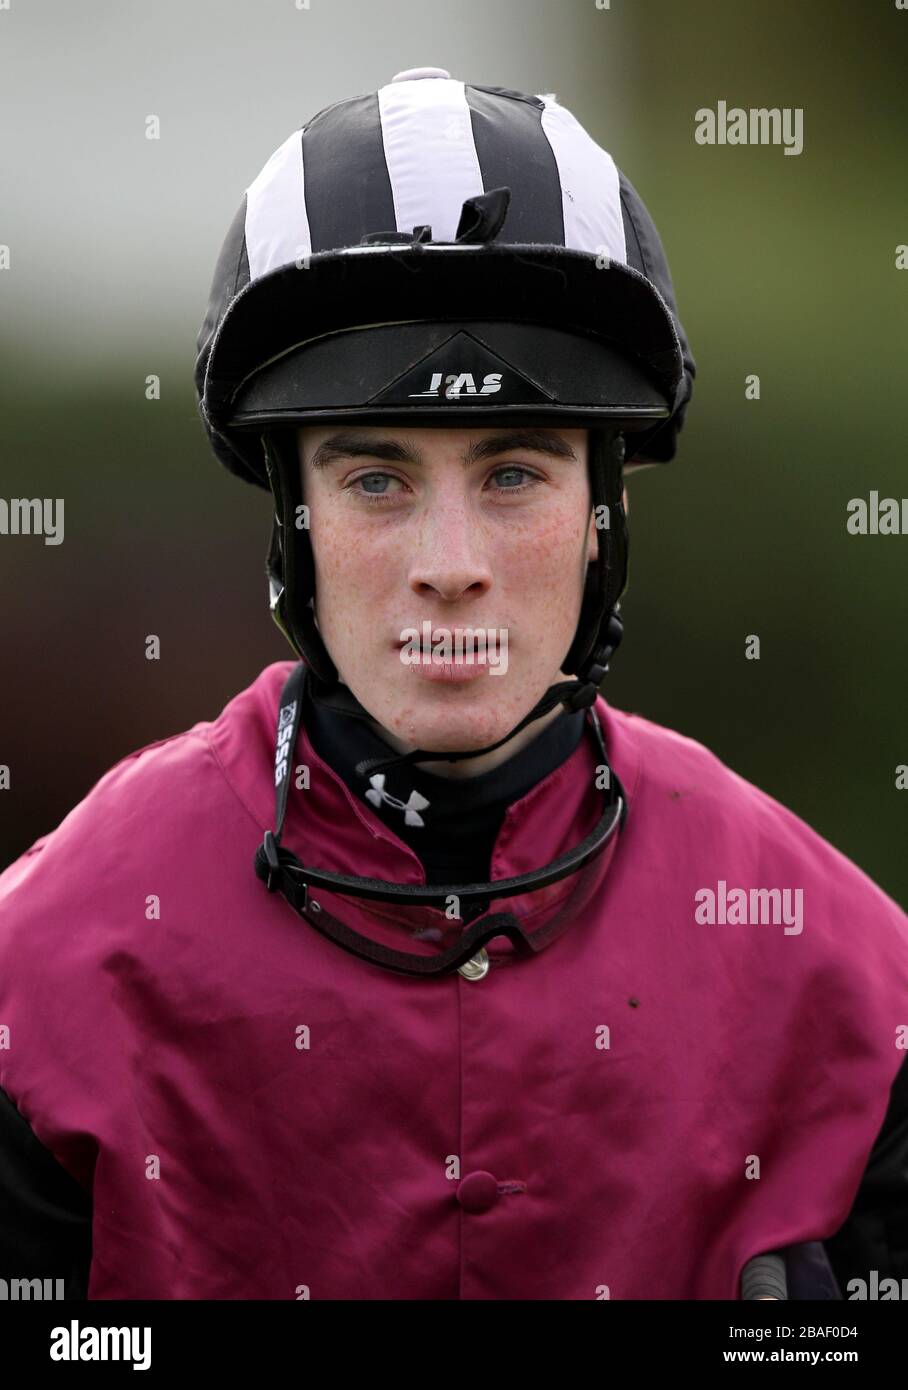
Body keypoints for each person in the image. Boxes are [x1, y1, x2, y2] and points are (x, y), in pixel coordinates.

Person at [1, 68, 906, 1302]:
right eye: (375, 480)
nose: (449, 569)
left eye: (515, 474)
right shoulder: (40, 966)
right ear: (294, 517)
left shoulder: (849, 974)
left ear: (606, 508)